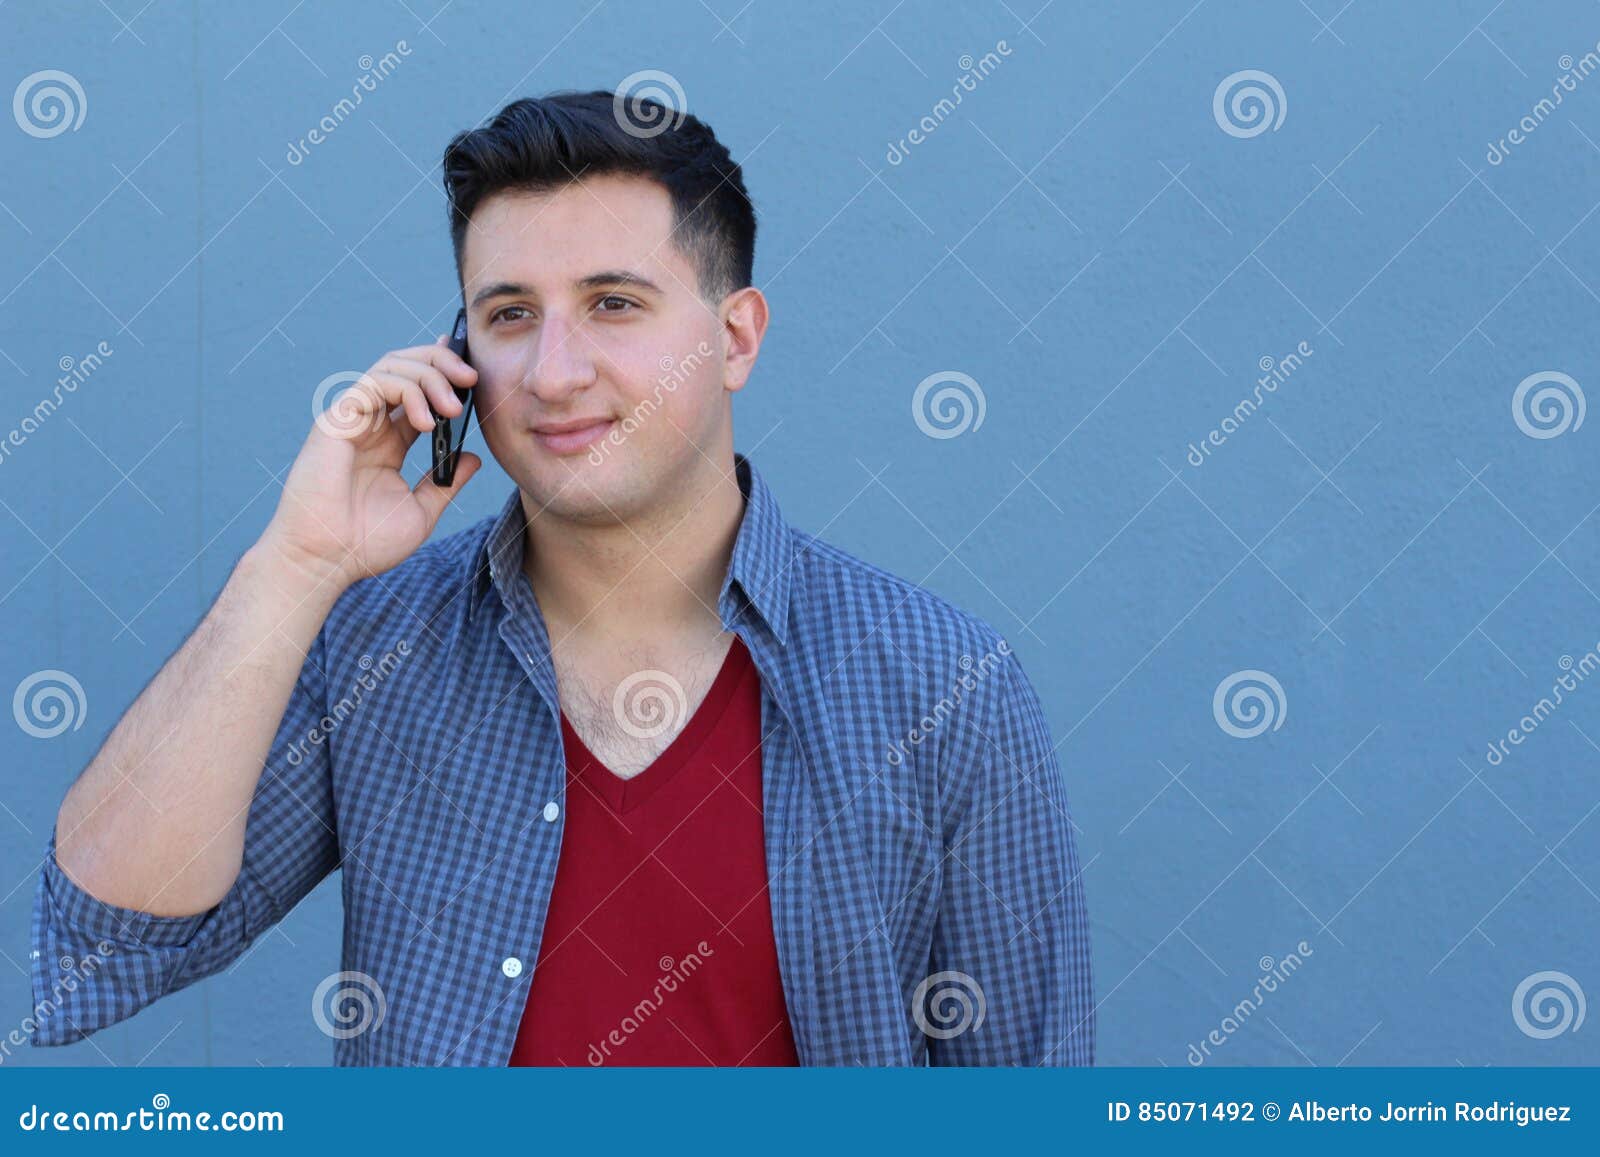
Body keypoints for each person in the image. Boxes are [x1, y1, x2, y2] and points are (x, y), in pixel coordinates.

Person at [27, 89, 1094, 1066]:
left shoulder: (943, 682)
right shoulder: (375, 643)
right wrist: (294, 565)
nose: (552, 373)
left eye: (613, 303)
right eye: (509, 315)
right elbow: (104, 948)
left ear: (734, 338)